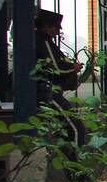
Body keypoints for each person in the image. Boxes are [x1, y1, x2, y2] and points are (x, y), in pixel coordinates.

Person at [33, 9, 85, 146]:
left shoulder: (43, 41)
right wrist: (72, 68)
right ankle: (74, 163)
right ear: (47, 26)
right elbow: (54, 66)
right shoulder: (42, 41)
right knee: (75, 127)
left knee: (66, 127)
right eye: (56, 27)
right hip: (48, 92)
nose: (57, 32)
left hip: (49, 90)